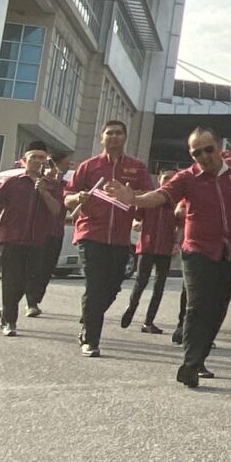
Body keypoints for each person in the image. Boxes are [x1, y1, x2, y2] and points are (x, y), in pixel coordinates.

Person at [128, 128, 231, 388]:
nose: (204, 156)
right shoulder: (187, 178)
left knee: (218, 307)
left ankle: (199, 358)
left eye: (208, 149)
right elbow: (161, 196)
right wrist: (133, 198)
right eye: (196, 153)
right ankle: (191, 363)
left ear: (219, 147)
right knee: (198, 305)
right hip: (198, 249)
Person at [63, 120, 154, 358]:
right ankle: (91, 340)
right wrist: (78, 198)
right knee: (95, 286)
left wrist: (131, 195)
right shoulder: (89, 166)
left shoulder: (136, 167)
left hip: (121, 238)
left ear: (125, 137)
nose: (114, 137)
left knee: (112, 287)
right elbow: (67, 196)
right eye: (109, 133)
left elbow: (149, 195)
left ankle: (89, 316)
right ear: (101, 138)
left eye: (118, 133)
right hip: (91, 234)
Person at [0, 145, 64, 337]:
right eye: (33, 157)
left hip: (39, 241)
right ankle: (10, 320)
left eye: (41, 158)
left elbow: (56, 211)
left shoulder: (52, 185)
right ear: (25, 160)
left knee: (29, 280)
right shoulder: (12, 182)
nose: (37, 161)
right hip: (11, 238)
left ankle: (7, 308)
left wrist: (44, 192)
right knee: (11, 280)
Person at [120, 190, 177, 333]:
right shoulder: (149, 198)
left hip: (165, 249)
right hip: (147, 247)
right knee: (141, 282)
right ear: (159, 180)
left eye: (170, 179)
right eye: (165, 179)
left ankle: (148, 322)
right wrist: (136, 224)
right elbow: (136, 218)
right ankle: (131, 308)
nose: (167, 181)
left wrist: (177, 243)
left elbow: (181, 224)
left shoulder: (175, 202)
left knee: (159, 286)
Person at [23, 149, 66, 315]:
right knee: (32, 268)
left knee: (46, 269)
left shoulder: (62, 186)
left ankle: (34, 299)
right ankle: (28, 302)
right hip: (36, 232)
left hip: (56, 232)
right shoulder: (37, 182)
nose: (66, 168)